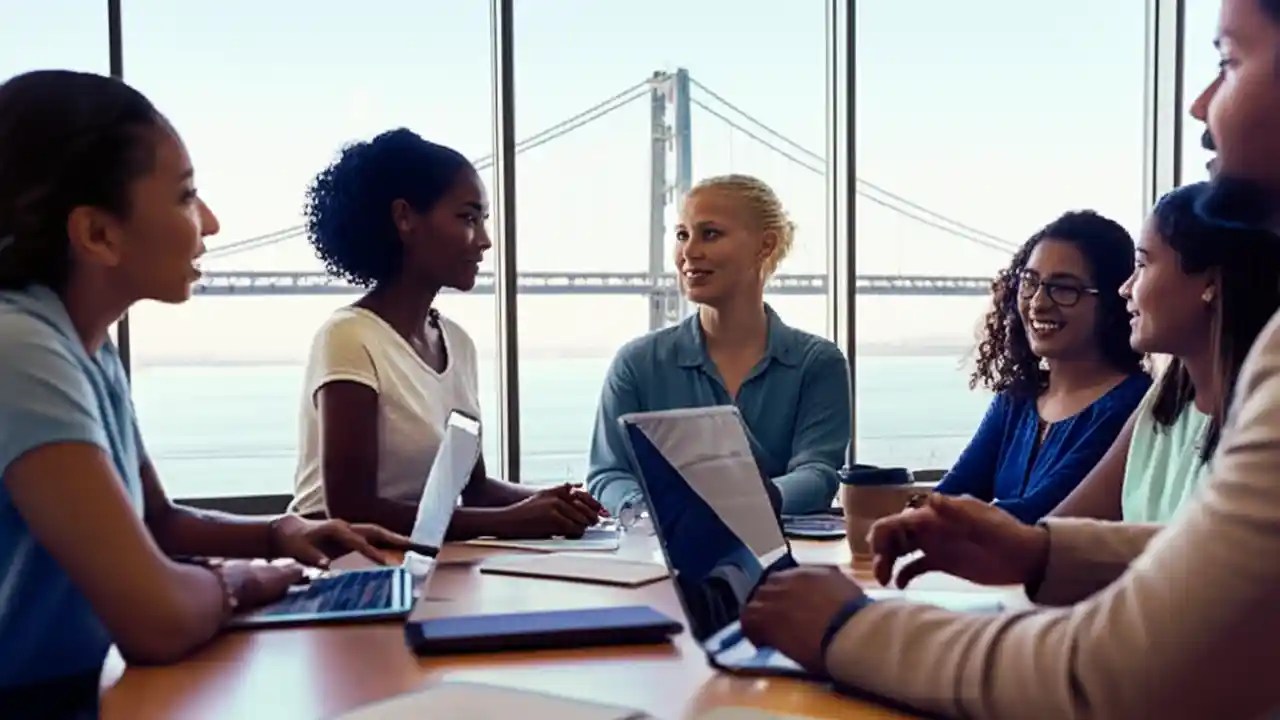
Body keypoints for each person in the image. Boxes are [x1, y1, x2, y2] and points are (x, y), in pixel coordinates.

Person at [738, 1, 1280, 717]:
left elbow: (1116, 678)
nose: (1198, 103)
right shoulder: (1144, 394)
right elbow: (1232, 578)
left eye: (1229, 60)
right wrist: (1038, 554)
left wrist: (844, 627)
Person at [0, 71, 414, 702]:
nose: (212, 223)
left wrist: (279, 535)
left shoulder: (81, 342)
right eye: (186, 196)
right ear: (97, 234)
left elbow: (157, 523)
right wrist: (243, 581)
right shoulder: (19, 349)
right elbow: (157, 621)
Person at [289, 128, 605, 539]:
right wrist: (514, 521)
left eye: (483, 220)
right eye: (468, 218)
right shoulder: (349, 337)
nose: (486, 241)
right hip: (343, 568)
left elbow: (474, 490)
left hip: (420, 561)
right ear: (404, 218)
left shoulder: (457, 343)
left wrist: (557, 502)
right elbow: (351, 509)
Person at [586, 174, 851, 518]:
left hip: (791, 560)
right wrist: (659, 516)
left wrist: (743, 508)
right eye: (682, 235)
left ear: (765, 246)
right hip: (660, 557)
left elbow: (819, 473)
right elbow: (609, 473)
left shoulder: (817, 363)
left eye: (710, 234)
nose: (689, 252)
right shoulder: (637, 363)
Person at [1052, 182, 1280, 523]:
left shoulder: (1266, 419)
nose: (1125, 288)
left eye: (1142, 265)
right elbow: (1061, 531)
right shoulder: (1165, 400)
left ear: (1211, 285)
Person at [932, 211, 1151, 523]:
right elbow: (954, 491)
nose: (1037, 302)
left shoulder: (1132, 403)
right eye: (1030, 282)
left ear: (1111, 303)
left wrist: (922, 518)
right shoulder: (1017, 398)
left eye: (1064, 289)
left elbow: (1039, 517)